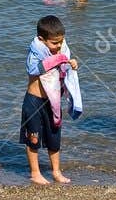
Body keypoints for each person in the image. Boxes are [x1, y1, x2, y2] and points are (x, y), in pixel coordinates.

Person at [21, 15, 77, 184]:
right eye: (54, 43)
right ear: (41, 39)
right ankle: (35, 173)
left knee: (54, 137)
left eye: (61, 41)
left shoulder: (61, 50)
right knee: (33, 138)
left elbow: (64, 67)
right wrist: (58, 59)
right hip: (34, 101)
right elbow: (33, 69)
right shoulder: (35, 52)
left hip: (52, 102)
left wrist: (71, 63)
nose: (58, 46)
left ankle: (56, 171)